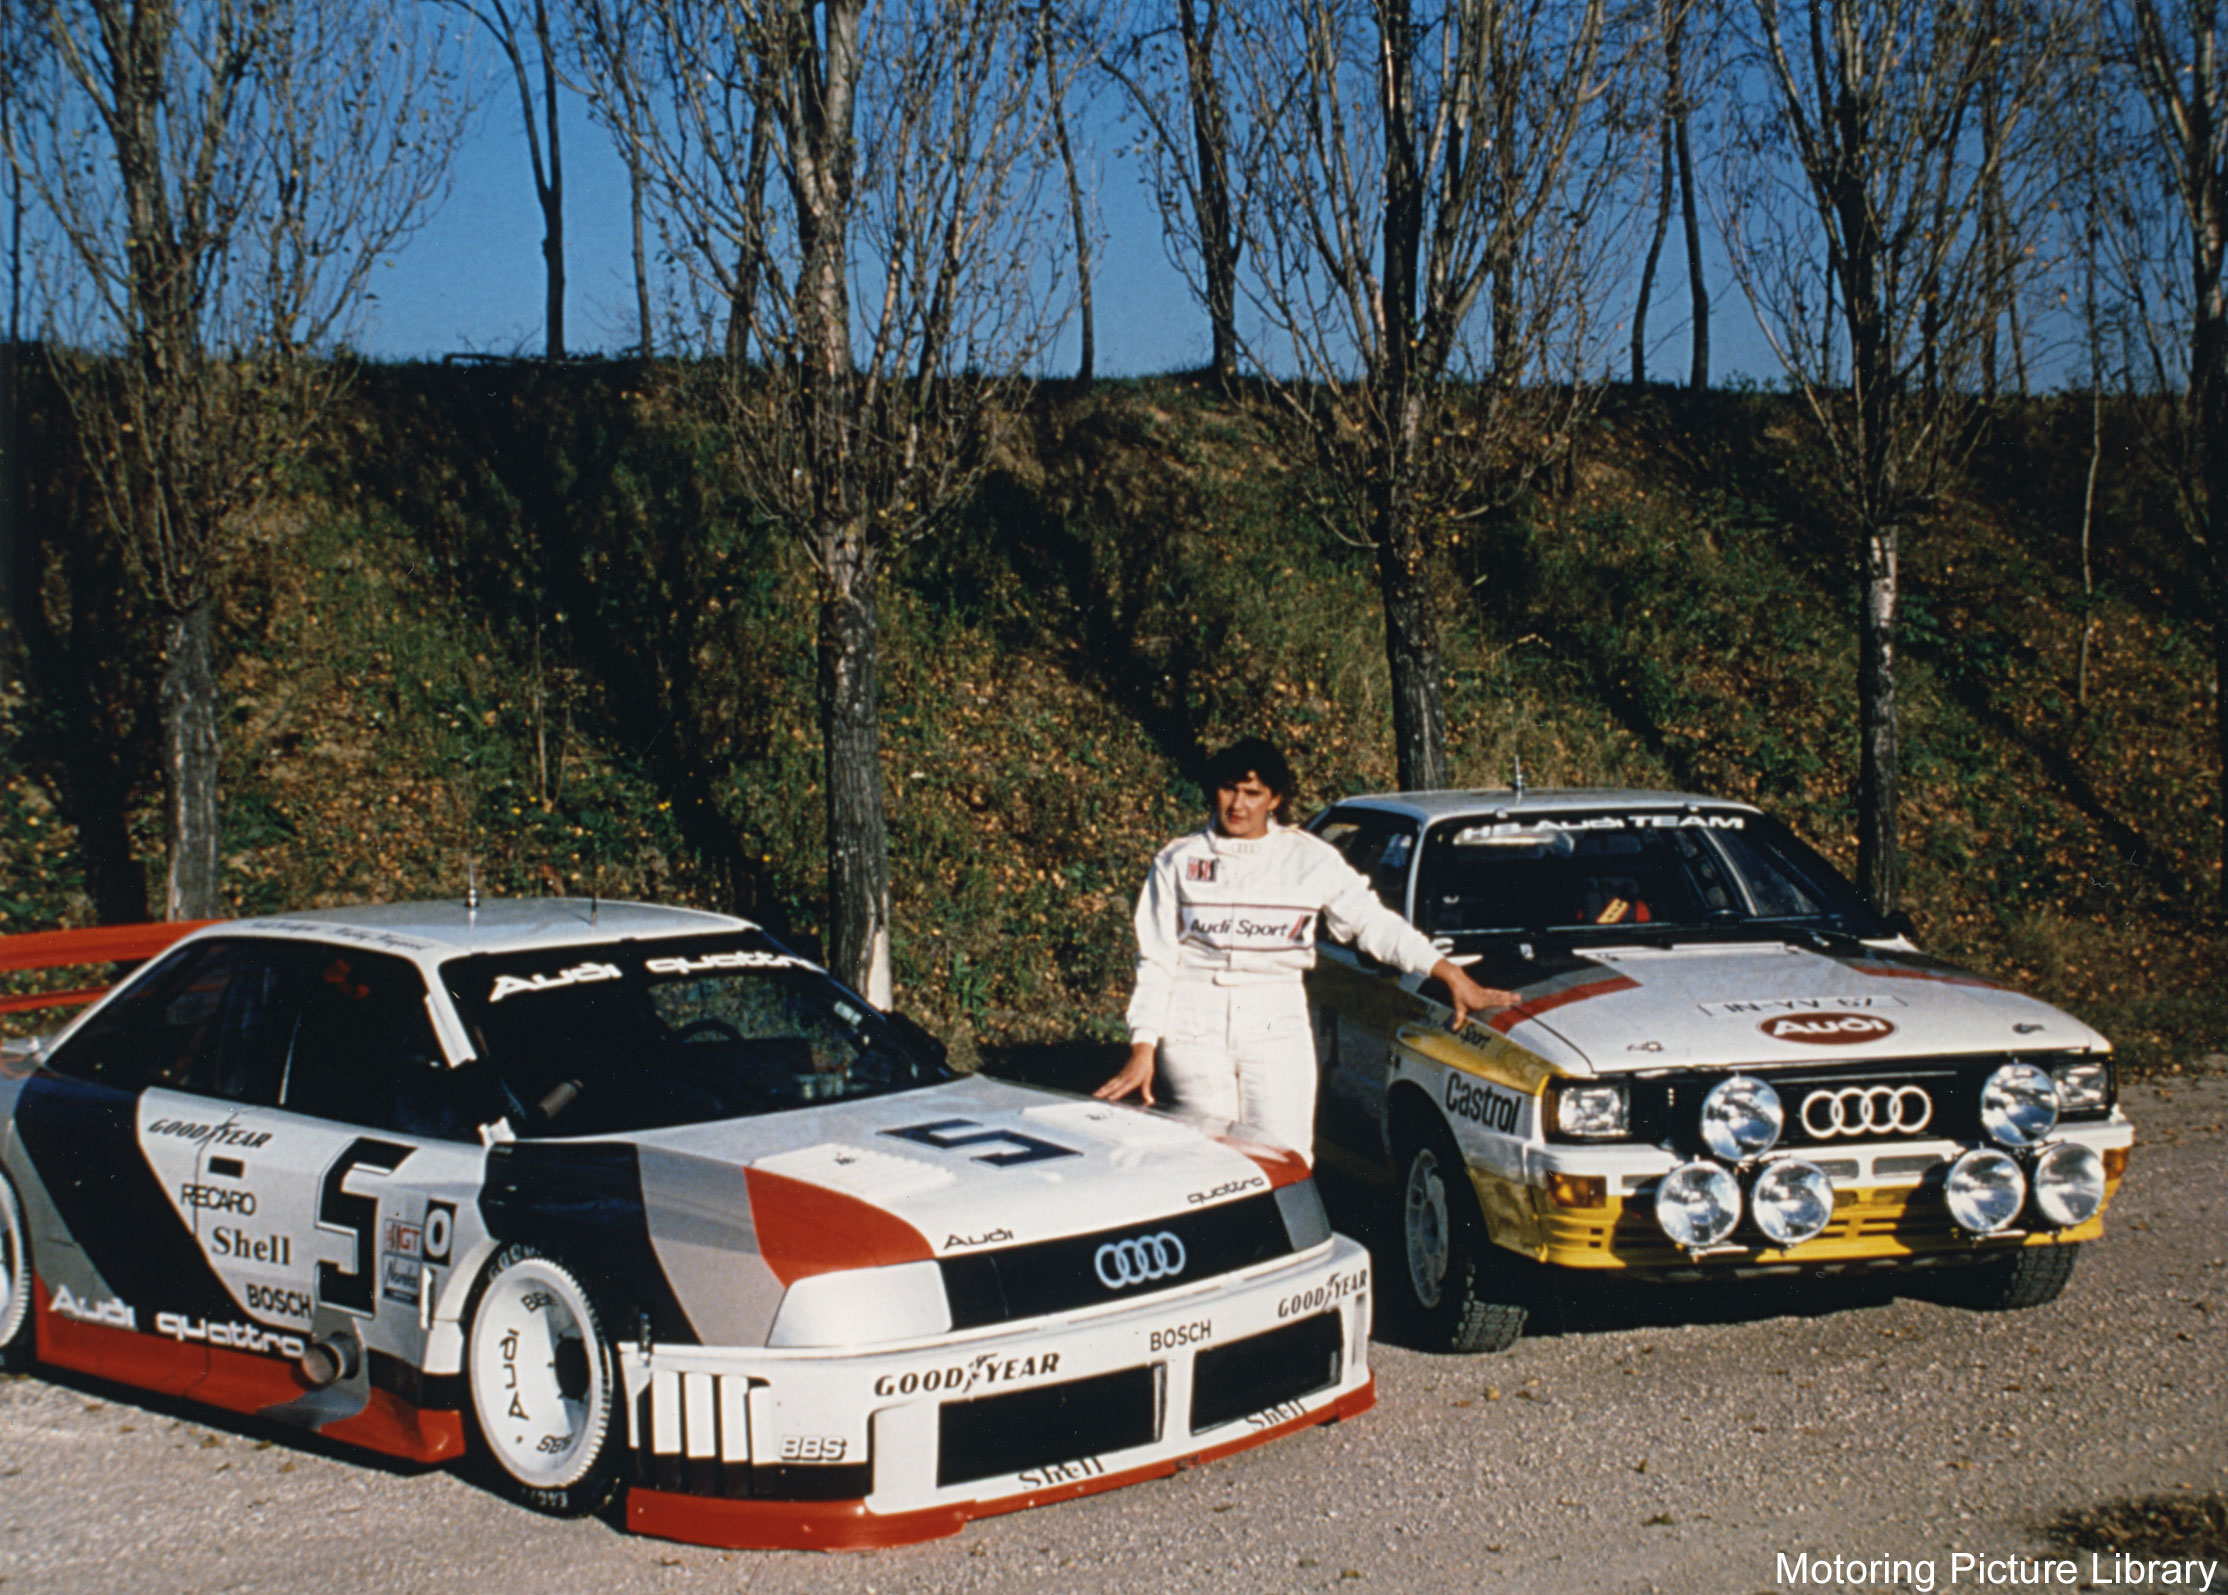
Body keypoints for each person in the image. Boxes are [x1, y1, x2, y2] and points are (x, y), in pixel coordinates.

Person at [1094, 737, 1516, 1158]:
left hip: (1275, 1019)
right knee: (1209, 1159)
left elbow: (1374, 924)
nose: (1238, 804)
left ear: (1275, 799)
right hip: (1193, 1022)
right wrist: (1143, 1047)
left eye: (1252, 793)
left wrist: (1449, 973)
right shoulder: (1177, 860)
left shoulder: (1309, 859)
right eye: (1229, 789)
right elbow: (1156, 961)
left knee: (1285, 1155)